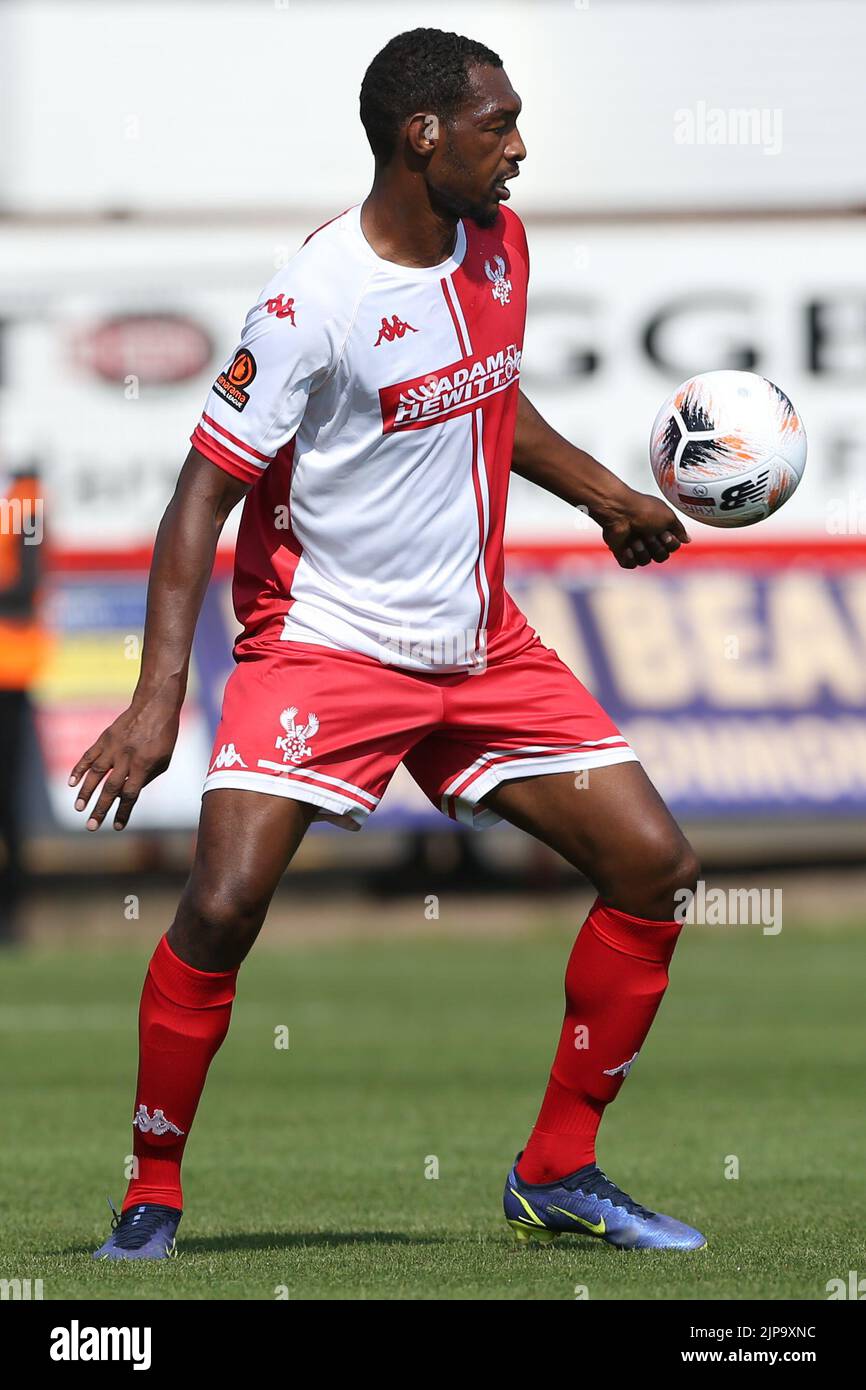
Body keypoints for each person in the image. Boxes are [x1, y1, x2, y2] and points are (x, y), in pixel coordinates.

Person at [76, 28, 704, 1261]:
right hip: (325, 647)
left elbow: (492, 387)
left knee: (655, 867)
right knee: (221, 901)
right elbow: (197, 496)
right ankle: (153, 1188)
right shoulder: (312, 303)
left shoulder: (500, 243)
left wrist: (600, 495)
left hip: (478, 643)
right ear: (421, 136)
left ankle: (556, 1170)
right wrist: (158, 700)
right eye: (496, 124)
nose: (517, 148)